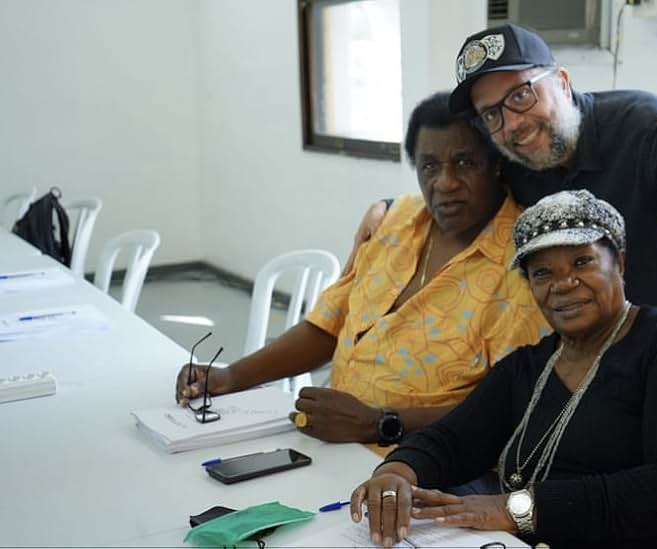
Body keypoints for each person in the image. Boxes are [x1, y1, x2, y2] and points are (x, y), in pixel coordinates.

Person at [350, 24, 657, 546]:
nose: (512, 123)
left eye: (522, 94)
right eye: (492, 114)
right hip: (630, 343)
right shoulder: (521, 160)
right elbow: (461, 188)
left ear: (563, 81)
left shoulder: (653, 130)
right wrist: (390, 210)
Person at [352, 190, 657, 549]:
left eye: (582, 261)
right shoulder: (531, 365)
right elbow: (452, 440)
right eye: (542, 273)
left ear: (619, 262)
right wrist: (397, 474)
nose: (564, 284)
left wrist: (515, 510)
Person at [176, 91, 548, 448]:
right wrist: (230, 377)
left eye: (465, 163)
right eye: (429, 166)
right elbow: (329, 325)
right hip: (332, 441)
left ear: (497, 164)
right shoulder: (397, 221)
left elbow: (511, 409)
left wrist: (379, 422)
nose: (445, 183)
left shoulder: (522, 266)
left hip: (422, 465)